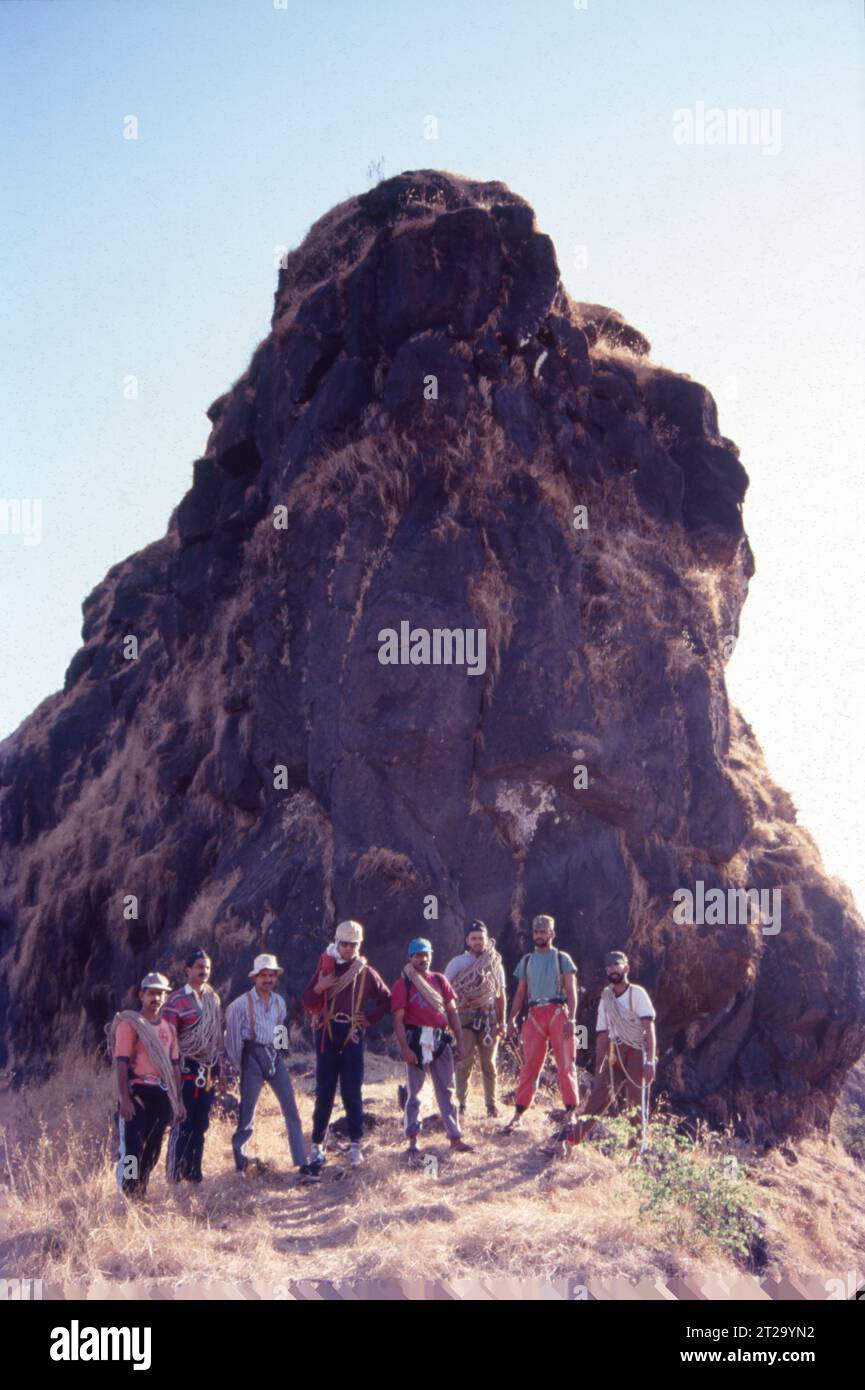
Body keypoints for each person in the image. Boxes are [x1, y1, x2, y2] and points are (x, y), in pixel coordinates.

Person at [301, 919, 391, 1170]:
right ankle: (317, 1146)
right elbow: (306, 1000)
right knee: (324, 1091)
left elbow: (388, 1000)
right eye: (345, 945)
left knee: (352, 1091)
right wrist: (320, 987)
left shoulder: (365, 972)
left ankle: (355, 1146)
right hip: (327, 1032)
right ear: (337, 944)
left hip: (352, 1033)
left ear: (358, 945)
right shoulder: (325, 968)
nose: (349, 949)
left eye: (353, 945)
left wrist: (369, 1019)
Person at [224, 953, 319, 1182]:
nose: (267, 979)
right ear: (255, 978)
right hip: (251, 1056)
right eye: (263, 975)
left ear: (276, 977)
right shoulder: (239, 1005)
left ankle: (302, 1163)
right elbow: (232, 1041)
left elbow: (280, 1029)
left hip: (273, 1057)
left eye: (271, 975)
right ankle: (241, 1164)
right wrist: (243, 1065)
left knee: (291, 1110)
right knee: (247, 1114)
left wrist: (280, 1054)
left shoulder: (279, 1002)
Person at [391, 938, 474, 1155]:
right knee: (414, 1093)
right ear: (410, 958)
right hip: (417, 1040)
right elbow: (398, 1020)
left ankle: (455, 1137)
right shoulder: (403, 985)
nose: (423, 959)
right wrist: (405, 1049)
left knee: (447, 1090)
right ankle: (412, 1140)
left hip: (440, 1039)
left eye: (426, 954)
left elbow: (452, 1011)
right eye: (418, 955)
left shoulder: (439, 980)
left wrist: (460, 1042)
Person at [109, 972, 185, 1200]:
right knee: (132, 1148)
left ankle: (141, 1188)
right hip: (137, 1092)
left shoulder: (169, 1030)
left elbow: (174, 1067)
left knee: (152, 1149)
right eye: (151, 993)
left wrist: (178, 1101)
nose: (156, 998)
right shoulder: (129, 1025)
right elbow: (121, 1063)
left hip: (161, 1094)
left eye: (161, 994)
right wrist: (125, 1099)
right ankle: (129, 1190)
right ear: (142, 995)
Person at [569, 951, 656, 1146]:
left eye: (616, 966)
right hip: (614, 1051)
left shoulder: (637, 994)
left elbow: (649, 1028)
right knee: (600, 1094)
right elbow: (602, 1035)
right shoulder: (606, 998)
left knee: (634, 1104)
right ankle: (572, 1140)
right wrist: (599, 1068)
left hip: (635, 1051)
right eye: (608, 967)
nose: (612, 970)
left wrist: (650, 1061)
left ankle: (635, 1153)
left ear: (626, 968)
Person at [502, 914, 579, 1134]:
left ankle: (571, 1112)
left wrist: (572, 1019)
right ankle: (518, 1114)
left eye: (543, 931)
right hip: (534, 1014)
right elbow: (519, 993)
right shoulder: (527, 961)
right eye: (536, 931)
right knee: (530, 1067)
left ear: (552, 934)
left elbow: (572, 992)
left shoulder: (562, 958)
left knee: (565, 1064)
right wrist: (511, 1019)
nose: (539, 935)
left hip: (557, 1013)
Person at [162, 948, 223, 1184]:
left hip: (206, 1070)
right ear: (187, 970)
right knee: (182, 1123)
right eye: (199, 967)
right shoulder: (175, 1001)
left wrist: (218, 1064)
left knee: (201, 1124)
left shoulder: (212, 999)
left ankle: (194, 1174)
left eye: (207, 967)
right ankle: (174, 1175)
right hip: (184, 1069)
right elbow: (167, 1040)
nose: (204, 971)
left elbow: (216, 1033)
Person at [444, 920, 506, 1118]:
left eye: (481, 938)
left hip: (489, 1018)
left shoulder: (495, 963)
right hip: (465, 1016)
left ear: (487, 940)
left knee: (489, 1064)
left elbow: (500, 994)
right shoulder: (457, 963)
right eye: (474, 938)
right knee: (464, 1062)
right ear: (467, 941)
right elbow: (446, 991)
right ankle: (461, 1105)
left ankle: (491, 1106)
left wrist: (502, 1021)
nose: (478, 942)